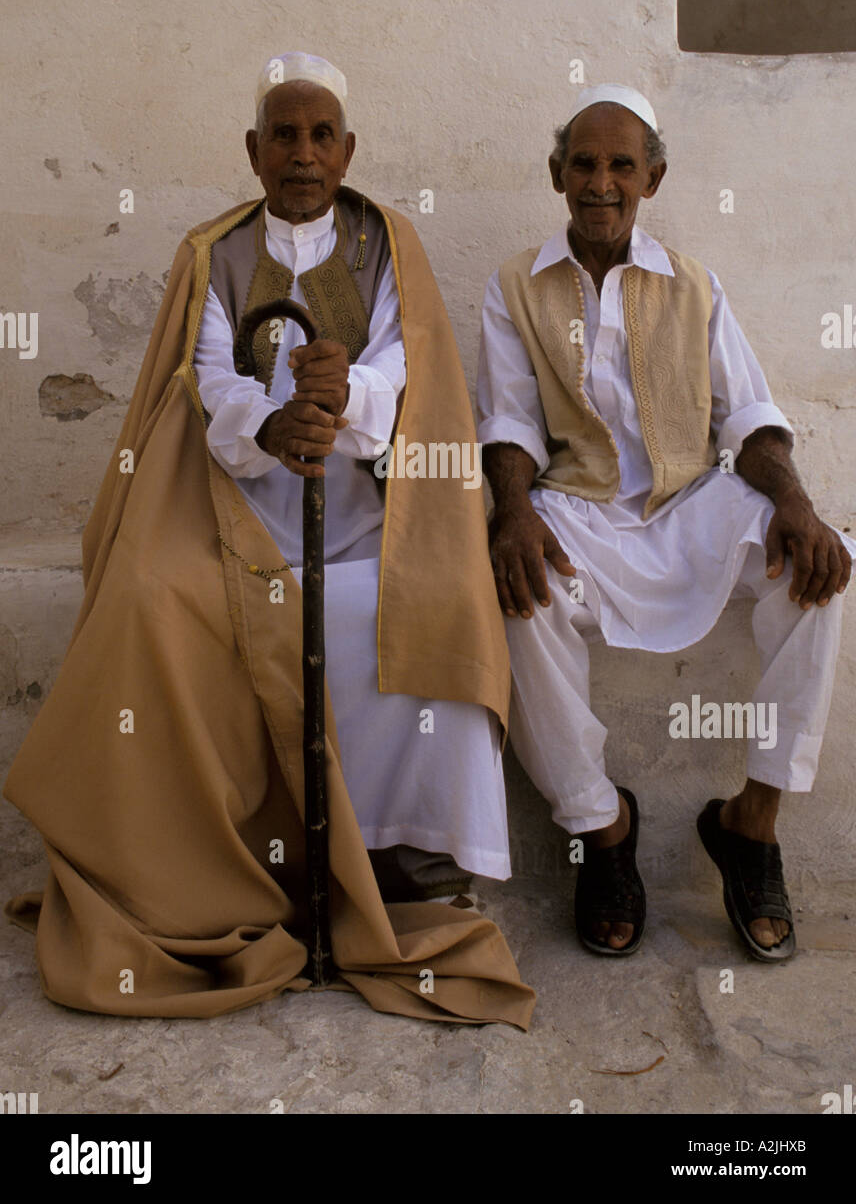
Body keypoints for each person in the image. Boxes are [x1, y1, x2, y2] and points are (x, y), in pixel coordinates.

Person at [3, 53, 533, 1030]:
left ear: (347, 150)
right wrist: (270, 421)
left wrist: (344, 399)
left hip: (373, 511)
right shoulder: (214, 252)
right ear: (253, 151)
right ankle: (207, 866)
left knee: (429, 606)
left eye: (319, 134)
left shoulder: (386, 241)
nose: (302, 152)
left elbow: (402, 364)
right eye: (282, 135)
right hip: (235, 512)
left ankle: (406, 869)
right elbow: (206, 379)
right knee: (149, 602)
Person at [477, 82, 853, 963]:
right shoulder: (513, 286)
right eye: (584, 163)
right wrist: (512, 512)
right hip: (576, 509)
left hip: (691, 503)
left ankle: (750, 825)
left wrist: (796, 503)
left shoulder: (694, 284)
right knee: (515, 591)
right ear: (556, 174)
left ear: (653, 176)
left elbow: (748, 418)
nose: (600, 182)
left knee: (825, 571)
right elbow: (507, 422)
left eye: (621, 165)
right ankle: (601, 828)